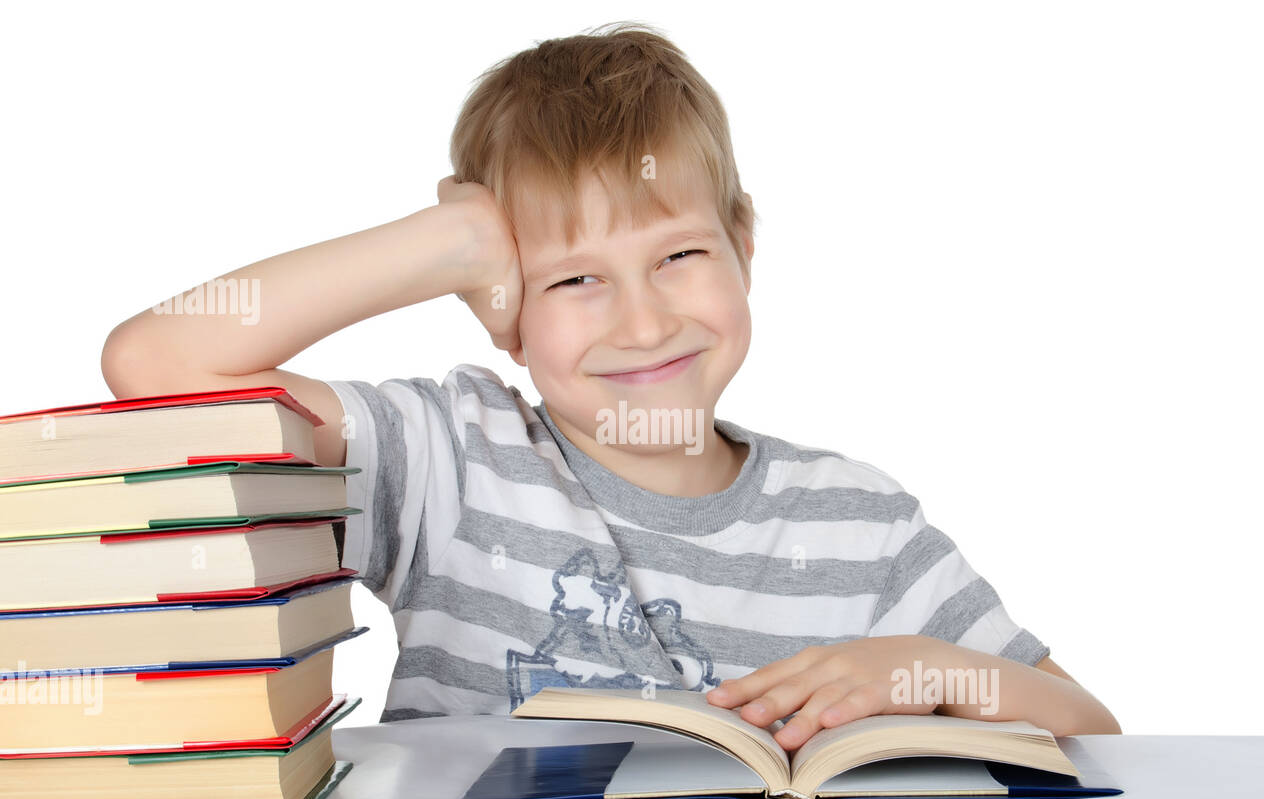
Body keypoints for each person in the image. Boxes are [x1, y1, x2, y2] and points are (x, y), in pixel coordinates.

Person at [101, 21, 1120, 749]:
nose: (643, 323)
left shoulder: (862, 524)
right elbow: (155, 364)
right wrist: (448, 243)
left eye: (679, 256)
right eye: (575, 280)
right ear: (503, 299)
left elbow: (1094, 729)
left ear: (744, 245)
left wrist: (920, 670)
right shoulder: (454, 459)